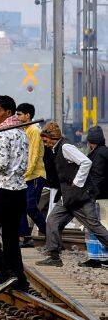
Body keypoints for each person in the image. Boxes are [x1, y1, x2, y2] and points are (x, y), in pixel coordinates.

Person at [36, 123, 108, 267]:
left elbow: (85, 162)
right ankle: (54, 256)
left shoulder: (65, 147)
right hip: (69, 196)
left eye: (45, 140)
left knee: (94, 226)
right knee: (53, 220)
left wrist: (77, 181)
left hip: (80, 196)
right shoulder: (56, 149)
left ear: (52, 138)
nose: (45, 143)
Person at [0, 95, 29, 295]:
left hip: (3, 190)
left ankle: (3, 274)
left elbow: (1, 162)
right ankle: (20, 280)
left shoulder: (3, 132)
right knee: (11, 238)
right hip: (20, 191)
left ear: (8, 112)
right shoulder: (21, 132)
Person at [15, 103, 46, 248]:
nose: (18, 117)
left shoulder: (34, 130)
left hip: (35, 175)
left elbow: (33, 155)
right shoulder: (24, 130)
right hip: (26, 176)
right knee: (21, 206)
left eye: (20, 114)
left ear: (28, 115)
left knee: (30, 207)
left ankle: (48, 232)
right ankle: (25, 237)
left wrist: (26, 174)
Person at [81, 126, 108, 268]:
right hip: (104, 196)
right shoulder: (104, 151)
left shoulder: (98, 154)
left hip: (99, 197)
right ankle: (101, 258)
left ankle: (97, 258)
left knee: (95, 226)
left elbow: (97, 176)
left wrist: (90, 194)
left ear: (91, 141)